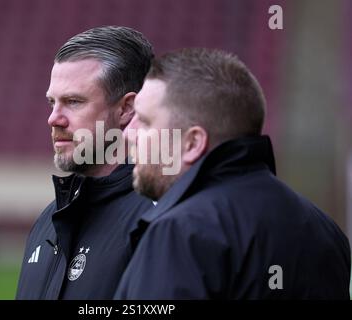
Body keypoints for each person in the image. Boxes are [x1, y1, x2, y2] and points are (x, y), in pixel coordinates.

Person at [115, 48, 351, 299]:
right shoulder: (325, 230)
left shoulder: (182, 231)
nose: (128, 133)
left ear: (192, 143)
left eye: (145, 121)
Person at [16, 26, 154, 299]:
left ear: (127, 109)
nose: (54, 118)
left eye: (73, 101)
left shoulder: (158, 223)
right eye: (52, 102)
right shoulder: (50, 218)